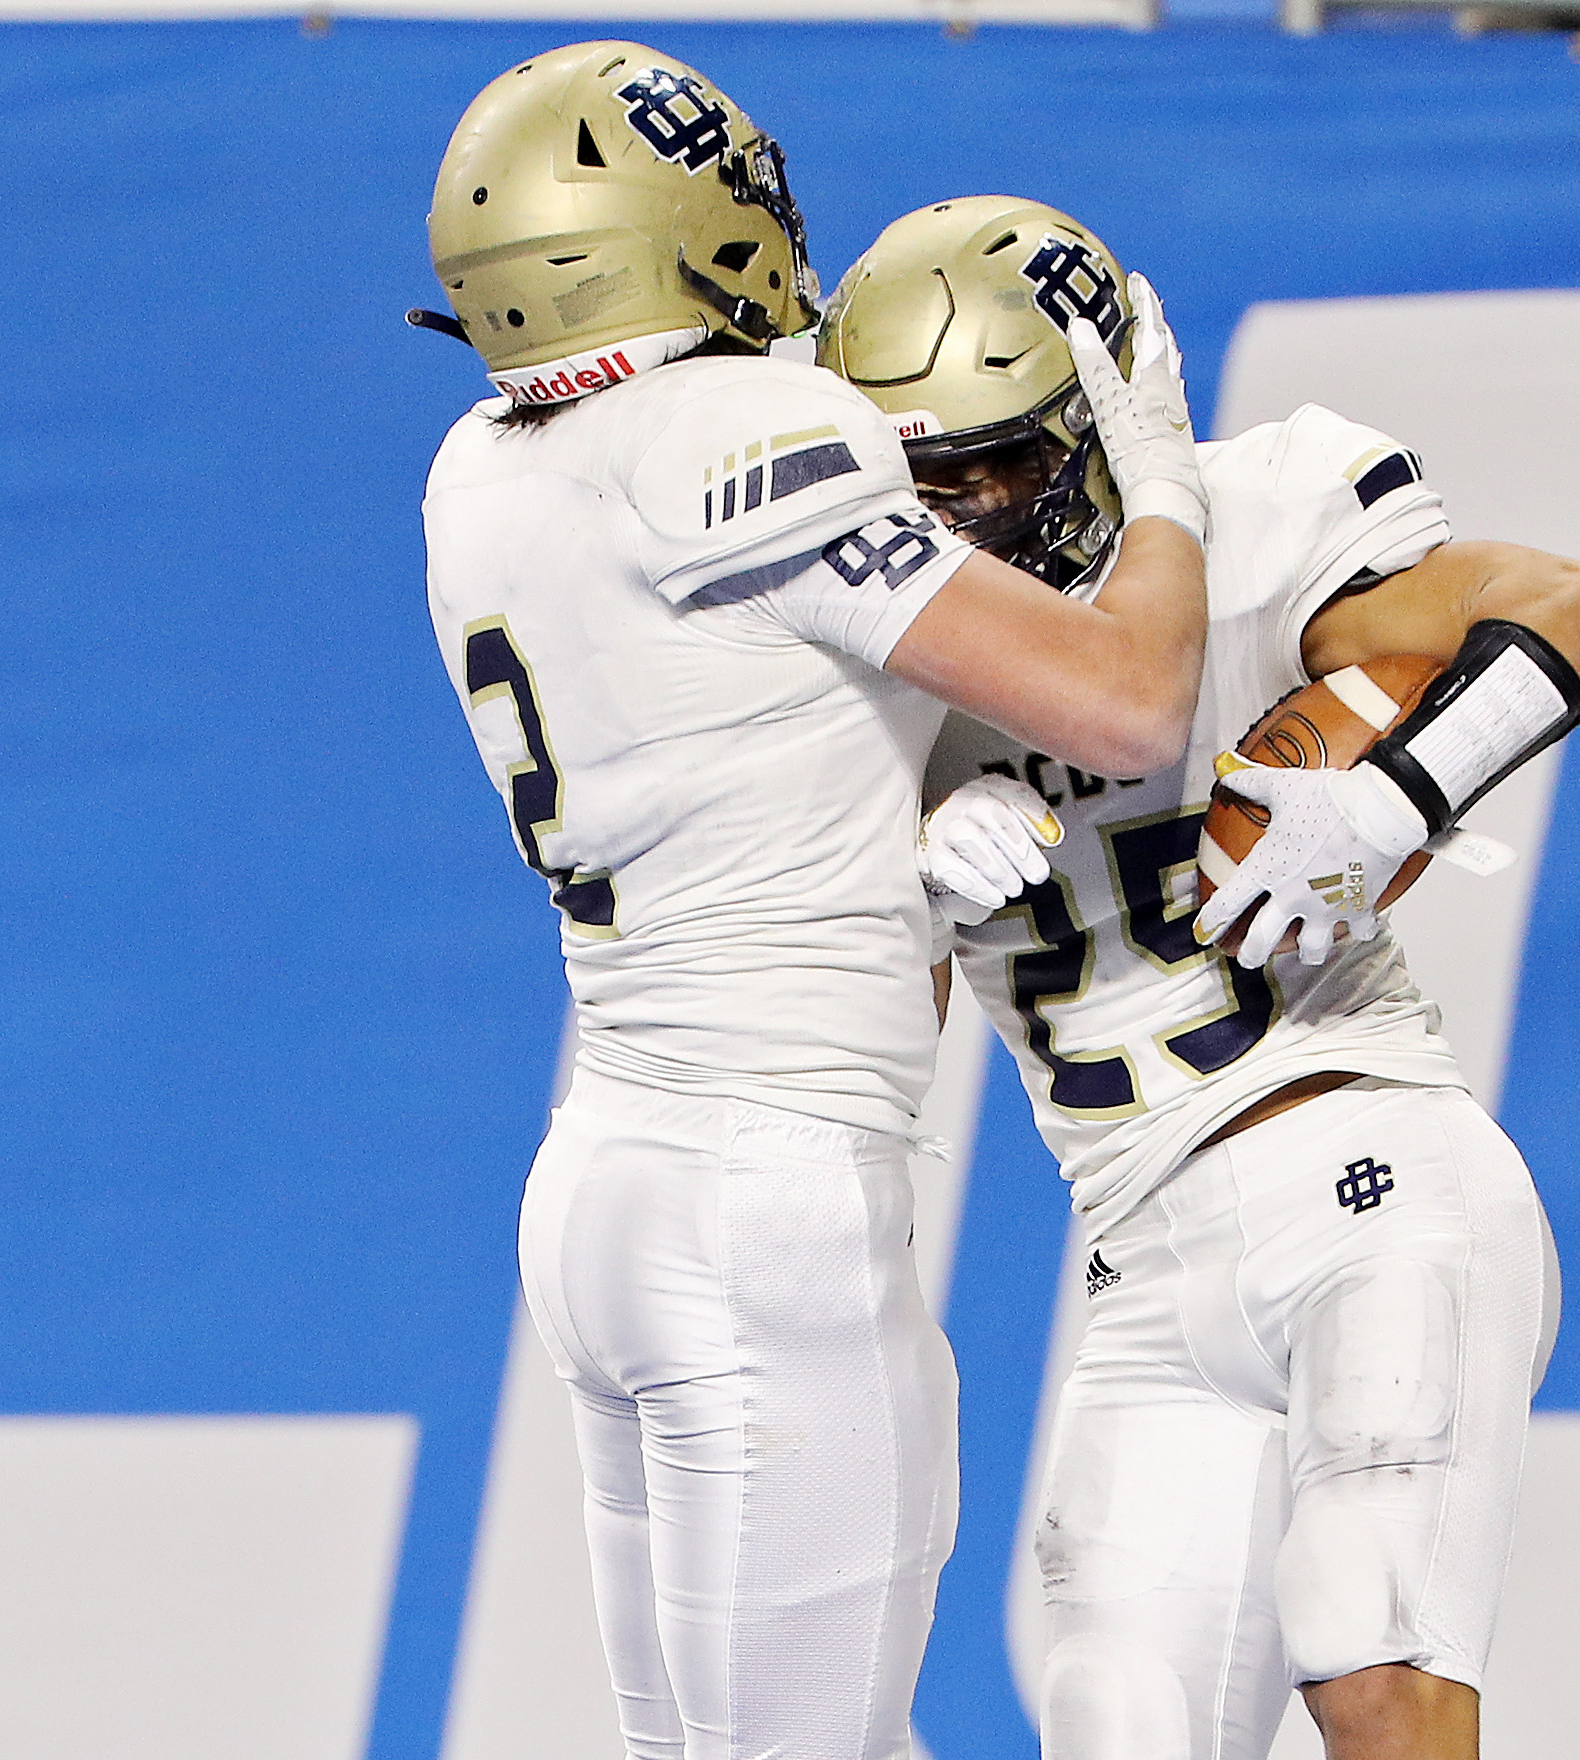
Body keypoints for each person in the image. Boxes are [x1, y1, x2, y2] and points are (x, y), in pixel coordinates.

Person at [412, 56, 1213, 1760]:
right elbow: (1132, 704)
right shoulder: (743, 433)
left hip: (606, 1175)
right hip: (764, 1203)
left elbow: (753, 724)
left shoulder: (476, 462)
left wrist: (903, 834)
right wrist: (1160, 466)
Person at [819, 196, 1580, 1760]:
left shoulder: (1259, 518)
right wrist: (904, 884)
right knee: (1117, 1722)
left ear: (1101, 422)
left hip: (1365, 1161)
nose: (968, 512)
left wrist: (1395, 797)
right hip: (1138, 1257)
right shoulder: (860, 646)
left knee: (1369, 1630)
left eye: (1001, 460)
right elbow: (861, 1070)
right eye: (925, 475)